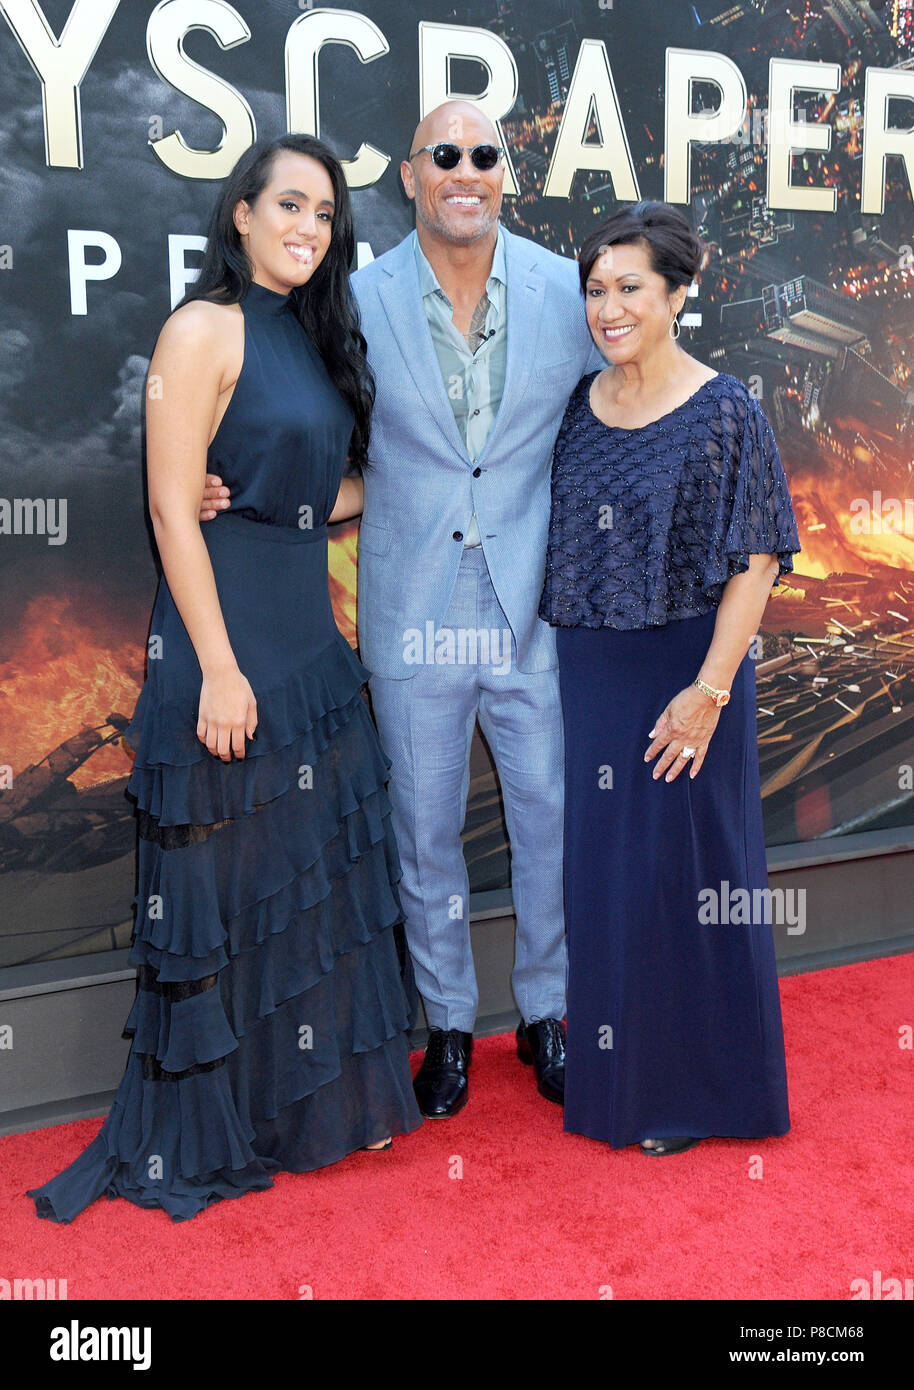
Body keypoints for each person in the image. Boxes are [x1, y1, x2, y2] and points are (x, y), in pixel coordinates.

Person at [28, 134, 422, 1224]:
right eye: (288, 204)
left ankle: (298, 1107)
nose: (308, 226)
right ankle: (213, 1125)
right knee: (217, 883)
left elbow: (335, 490)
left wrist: (256, 492)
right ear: (239, 213)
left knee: (299, 877)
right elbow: (166, 507)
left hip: (308, 641)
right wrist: (215, 667)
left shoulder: (312, 333)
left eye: (324, 212)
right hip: (225, 642)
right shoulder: (198, 328)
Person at [201, 101, 605, 1117]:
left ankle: (547, 1014)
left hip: (533, 614)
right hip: (412, 611)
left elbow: (625, 406)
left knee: (547, 826)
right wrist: (230, 486)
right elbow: (292, 404)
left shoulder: (568, 290)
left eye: (483, 155)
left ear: (503, 174)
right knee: (422, 834)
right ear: (412, 176)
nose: (464, 171)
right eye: (443, 155)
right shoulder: (358, 295)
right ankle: (451, 1028)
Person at [540, 201, 800, 1155]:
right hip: (594, 667)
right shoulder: (582, 401)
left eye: (631, 289)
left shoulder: (725, 408)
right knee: (610, 878)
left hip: (693, 670)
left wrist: (709, 691)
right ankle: (623, 1086)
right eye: (596, 291)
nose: (609, 309)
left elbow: (760, 558)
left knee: (692, 877)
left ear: (679, 294)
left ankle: (706, 1095)